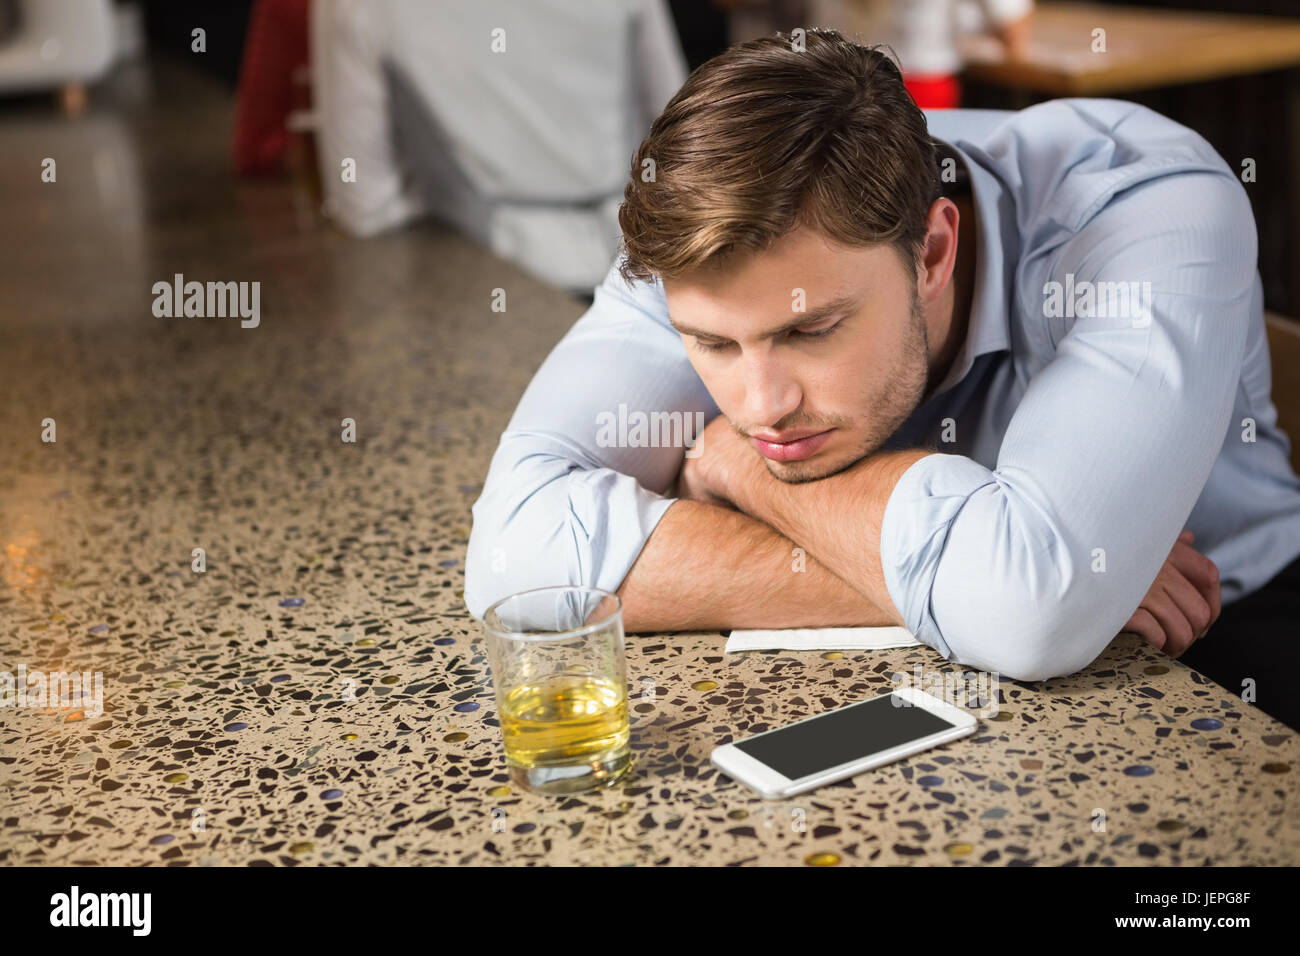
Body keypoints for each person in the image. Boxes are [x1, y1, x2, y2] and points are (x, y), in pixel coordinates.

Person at [464, 30, 1300, 732]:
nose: (761, 408)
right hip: (977, 654)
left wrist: (732, 464)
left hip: (1216, 638)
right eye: (711, 345)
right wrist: (1020, 571)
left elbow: (1034, 618)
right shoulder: (698, 234)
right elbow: (513, 561)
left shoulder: (1145, 206)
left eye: (810, 330)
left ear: (933, 251)